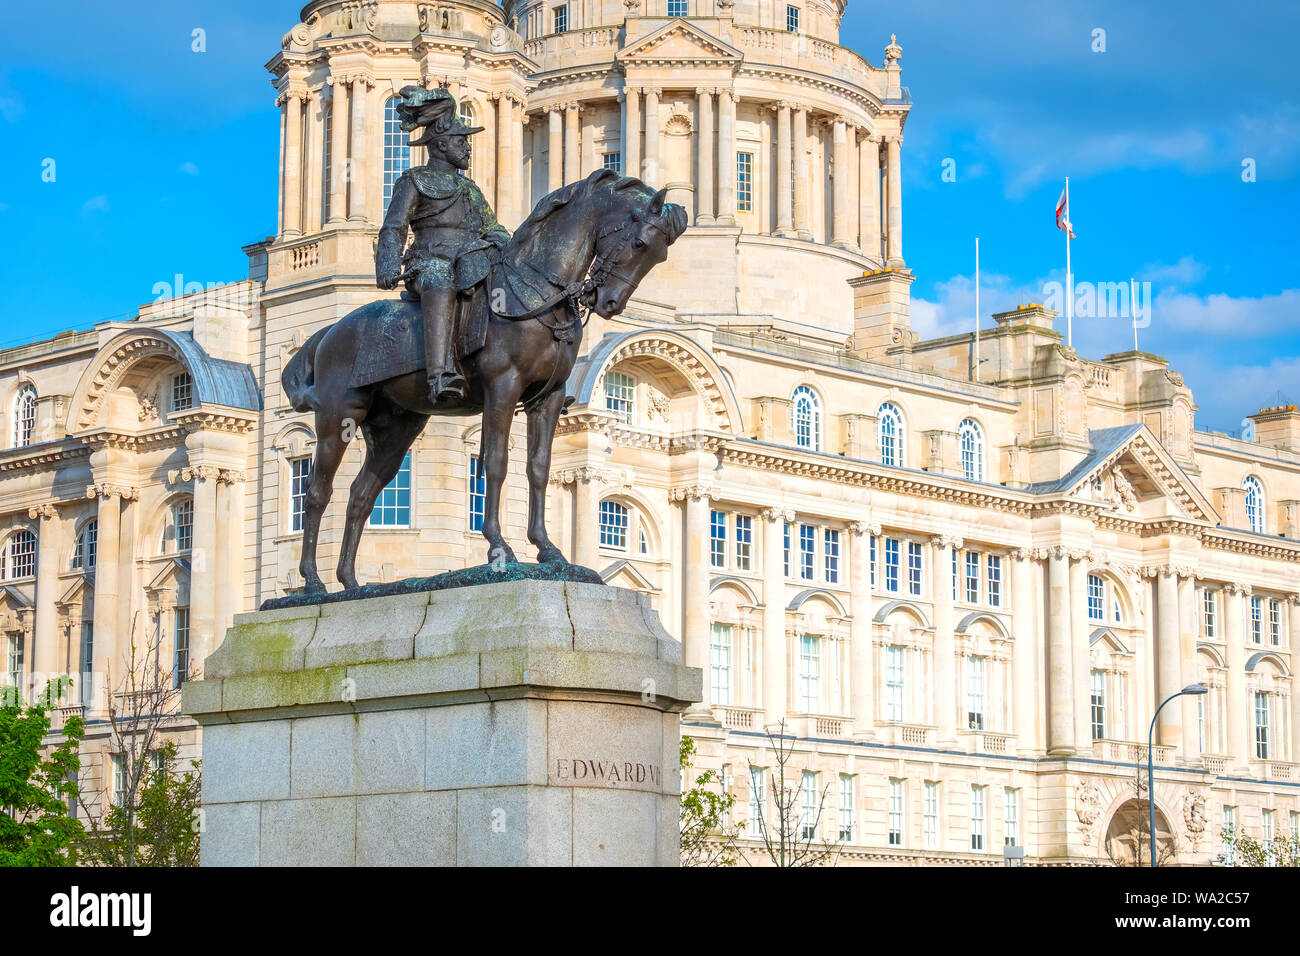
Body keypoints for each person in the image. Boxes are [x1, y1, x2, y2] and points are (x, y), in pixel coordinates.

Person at [375, 86, 510, 404]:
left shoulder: (470, 189)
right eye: (461, 141)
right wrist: (388, 264)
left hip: (471, 259)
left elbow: (493, 228)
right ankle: (440, 374)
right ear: (440, 144)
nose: (467, 148)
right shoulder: (414, 180)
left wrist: (512, 250)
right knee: (439, 280)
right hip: (429, 260)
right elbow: (393, 227)